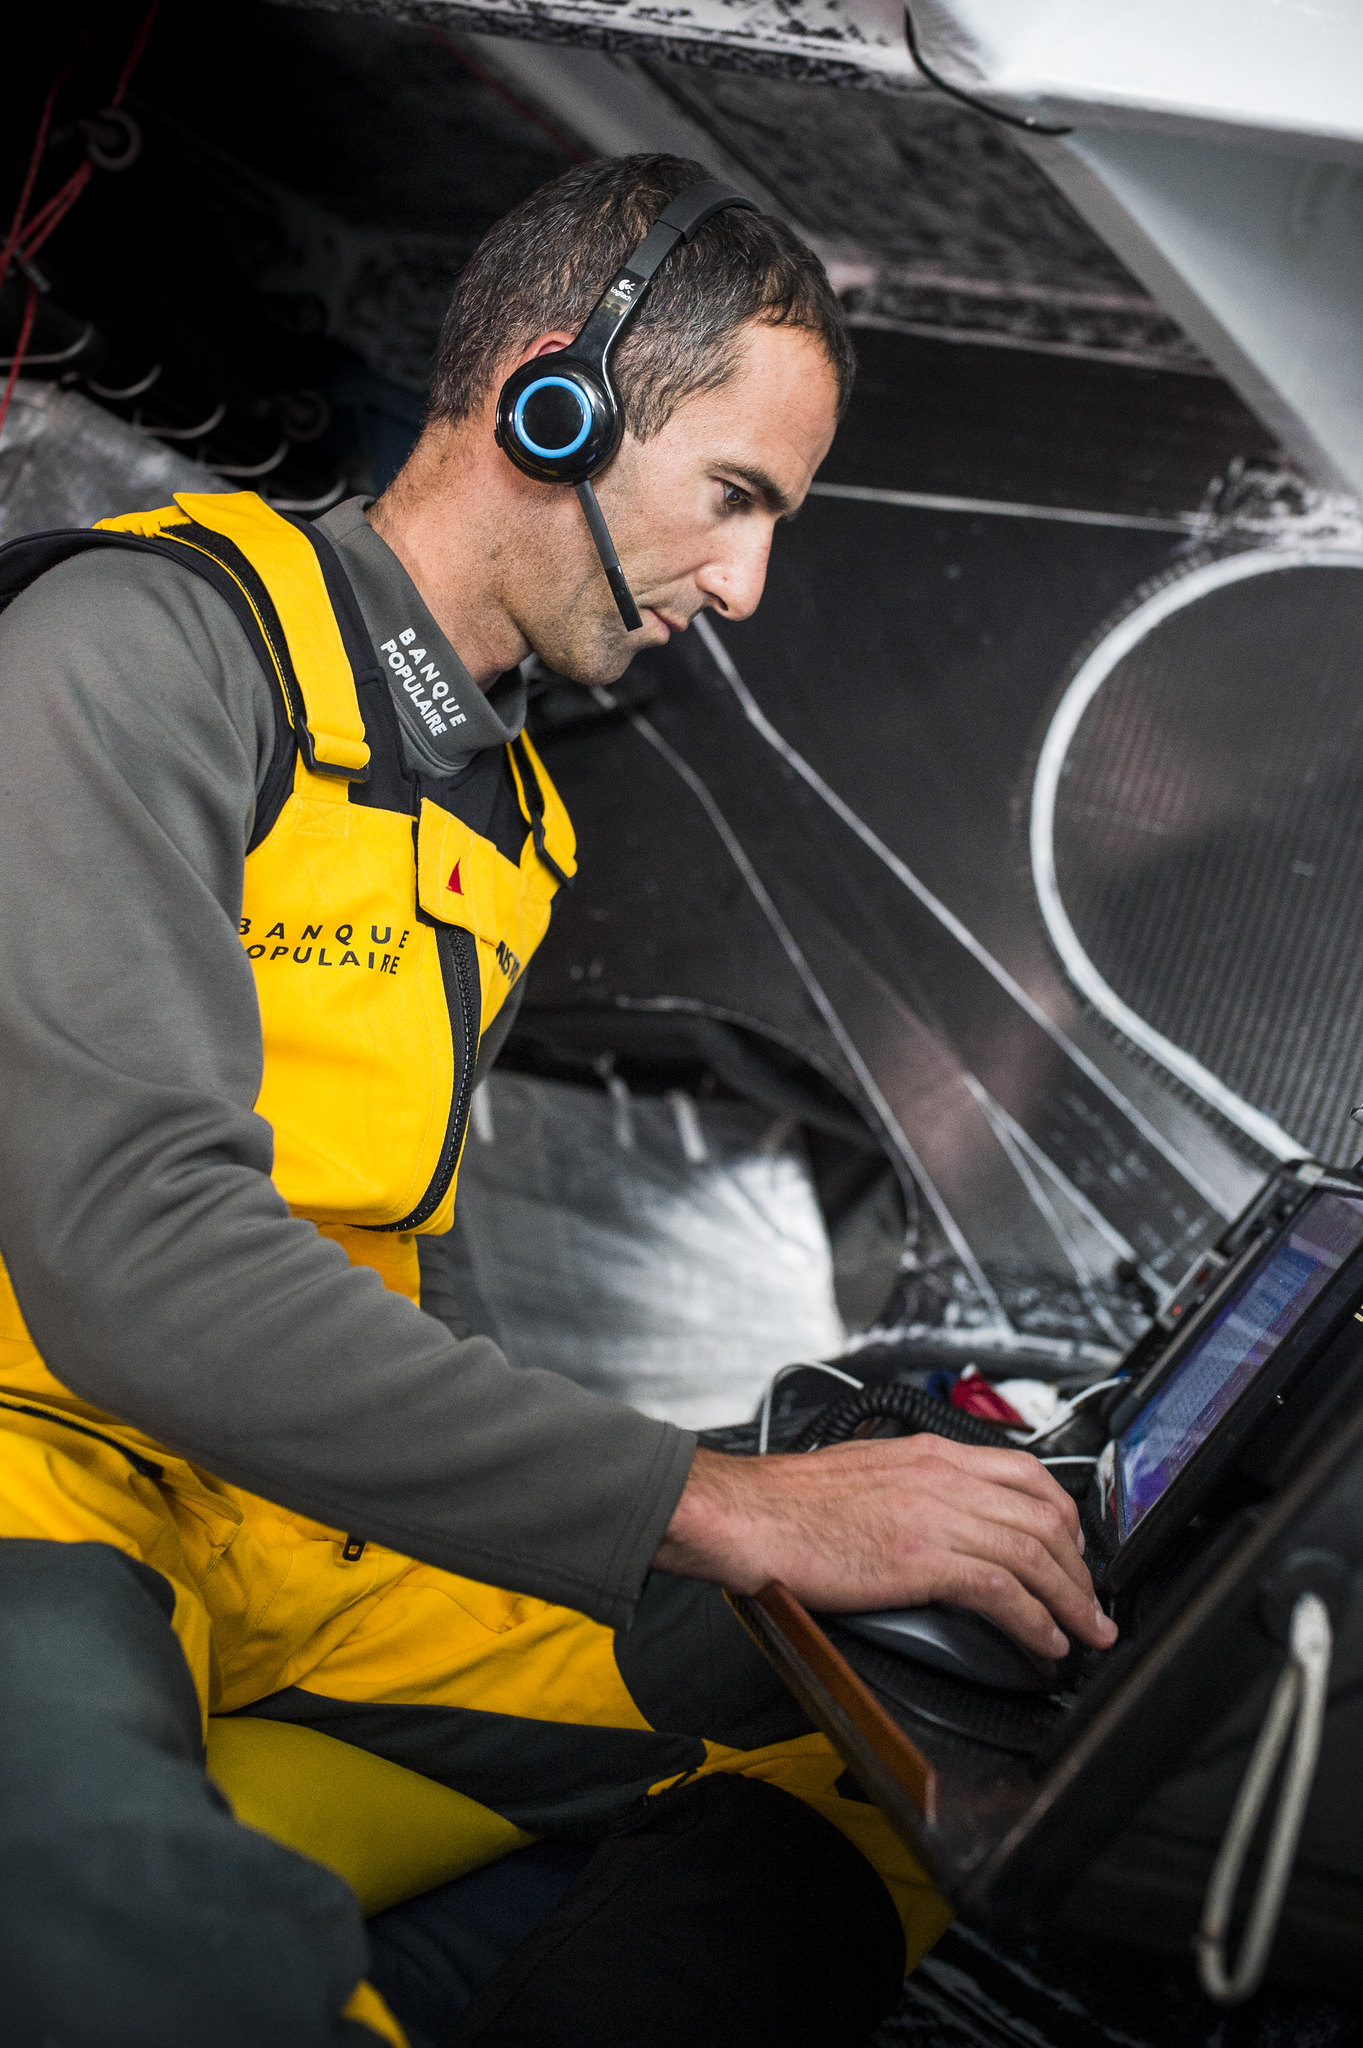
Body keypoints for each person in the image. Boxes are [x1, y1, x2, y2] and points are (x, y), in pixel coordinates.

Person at [0, 153, 1115, 2048]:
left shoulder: (504, 813)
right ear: (552, 400)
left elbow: (388, 1263)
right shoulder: (143, 656)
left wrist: (802, 1526)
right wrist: (719, 1501)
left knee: (911, 1737)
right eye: (736, 499)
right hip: (43, 1465)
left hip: (292, 1522)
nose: (751, 584)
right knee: (152, 1972)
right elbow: (137, 1265)